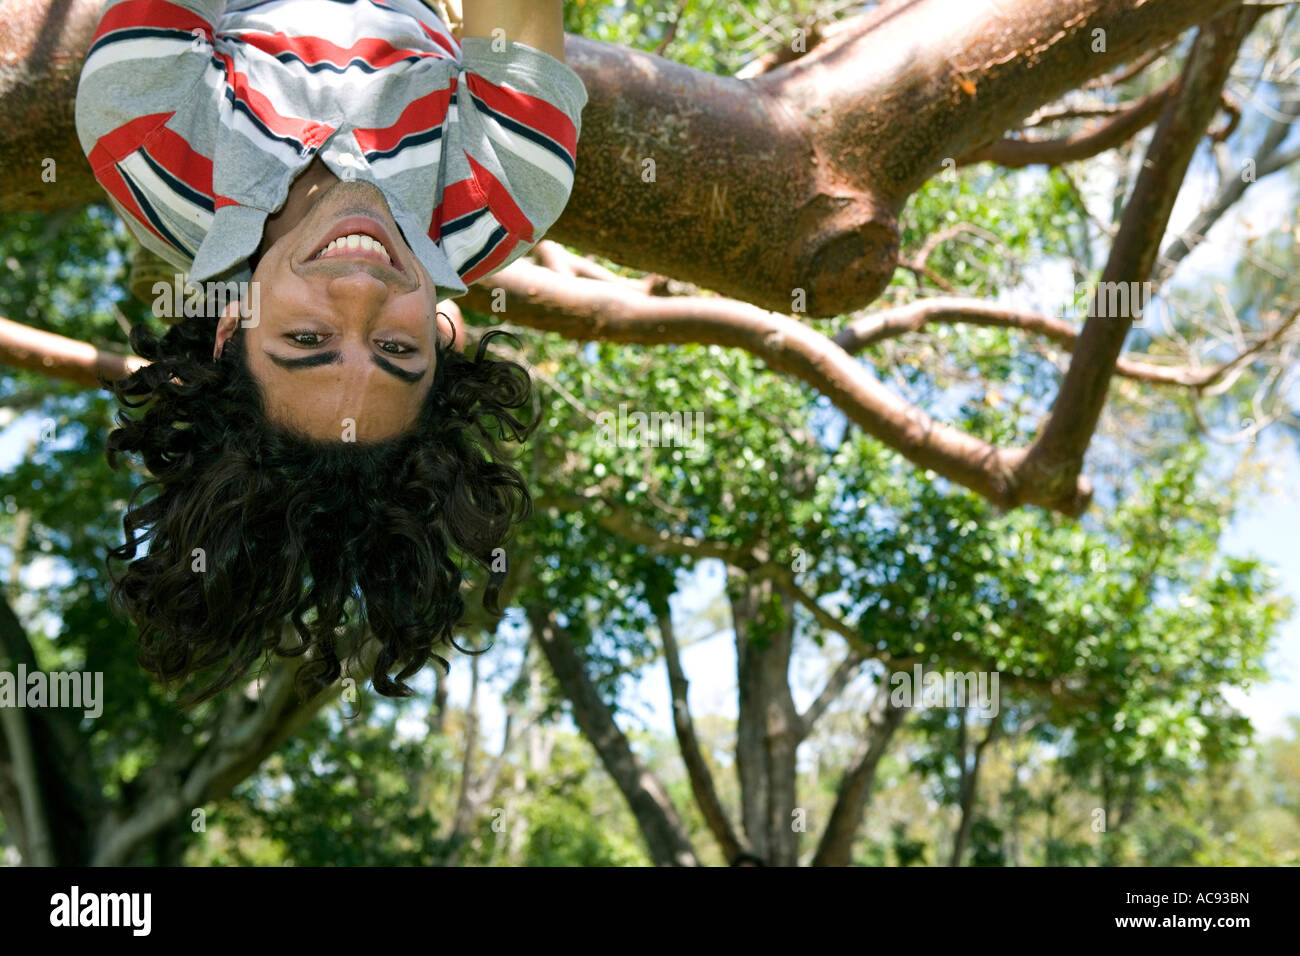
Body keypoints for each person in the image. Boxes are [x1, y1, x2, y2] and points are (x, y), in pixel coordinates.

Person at [74, 0, 587, 705]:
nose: (357, 288)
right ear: (443, 337)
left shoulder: (145, 140)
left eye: (308, 340)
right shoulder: (507, 187)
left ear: (234, 328)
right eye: (395, 346)